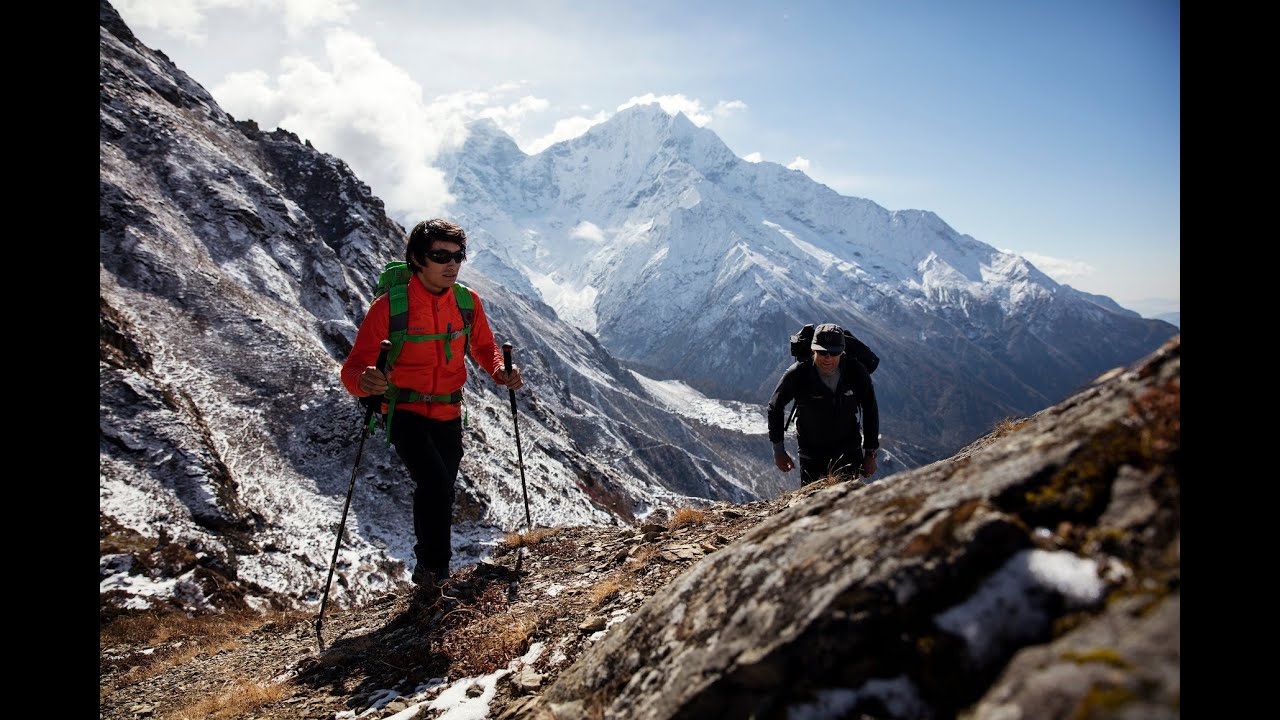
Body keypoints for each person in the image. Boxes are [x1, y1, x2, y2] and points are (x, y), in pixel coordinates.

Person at [341, 218, 524, 596]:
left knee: (440, 487)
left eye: (458, 256)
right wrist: (365, 382)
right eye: (441, 256)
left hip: (448, 411)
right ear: (417, 259)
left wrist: (499, 370)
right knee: (435, 483)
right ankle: (435, 573)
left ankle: (428, 571)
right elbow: (353, 367)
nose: (452, 264)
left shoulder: (466, 302)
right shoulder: (389, 308)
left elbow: (483, 346)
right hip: (403, 410)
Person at [766, 323, 879, 485]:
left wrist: (870, 454)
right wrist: (778, 451)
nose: (828, 357)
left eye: (834, 352)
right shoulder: (799, 373)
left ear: (842, 351)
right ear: (813, 350)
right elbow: (774, 407)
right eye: (822, 352)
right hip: (812, 455)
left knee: (848, 500)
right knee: (814, 500)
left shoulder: (855, 371)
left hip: (848, 451)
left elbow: (870, 409)